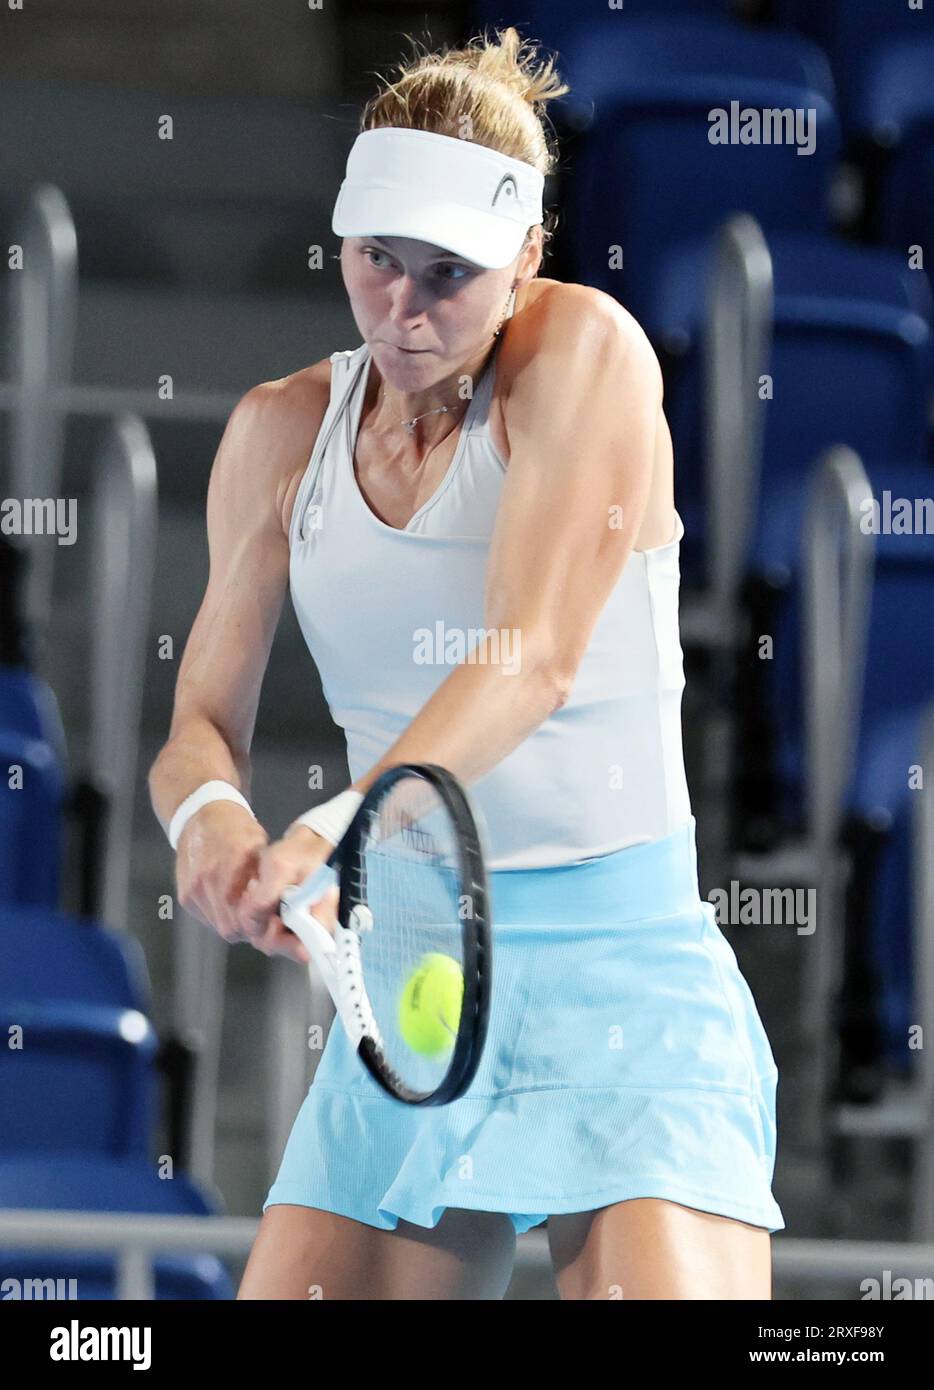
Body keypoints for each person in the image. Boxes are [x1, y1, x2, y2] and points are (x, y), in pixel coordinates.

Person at [149, 26, 784, 1300]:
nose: (403, 306)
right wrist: (212, 827)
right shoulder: (280, 432)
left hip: (628, 977)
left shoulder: (586, 353)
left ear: (529, 258)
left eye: (450, 272)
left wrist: (338, 827)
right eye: (379, 260)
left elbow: (533, 653)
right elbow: (197, 725)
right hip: (414, 992)